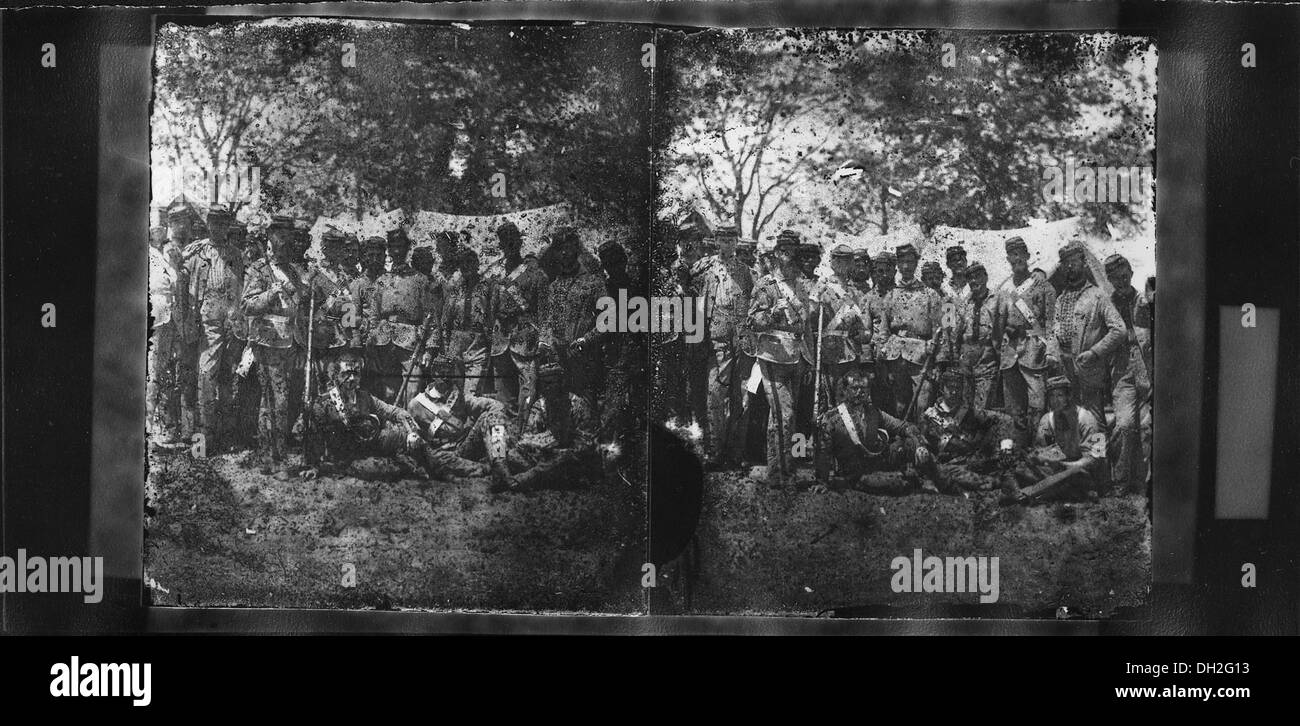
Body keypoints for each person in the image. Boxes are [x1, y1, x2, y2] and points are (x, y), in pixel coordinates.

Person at [305, 347, 442, 479]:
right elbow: (314, 436)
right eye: (346, 374)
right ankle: (409, 466)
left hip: (372, 445)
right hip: (348, 458)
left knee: (415, 442)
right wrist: (313, 466)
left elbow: (396, 412)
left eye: (356, 374)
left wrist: (411, 432)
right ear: (335, 377)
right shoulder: (323, 403)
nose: (352, 379)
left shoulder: (365, 397)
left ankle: (440, 468)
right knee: (377, 470)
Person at [241, 214, 309, 467]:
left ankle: (269, 453)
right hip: (267, 343)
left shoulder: (293, 271)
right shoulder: (259, 270)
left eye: (288, 237)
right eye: (280, 236)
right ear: (270, 237)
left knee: (277, 399)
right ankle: (276, 457)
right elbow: (247, 305)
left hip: (290, 344)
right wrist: (271, 294)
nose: (285, 241)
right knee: (275, 398)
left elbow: (299, 309)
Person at [746, 229, 811, 486]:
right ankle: (778, 472)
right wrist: (772, 313)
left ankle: (786, 469)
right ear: (775, 253)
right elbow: (752, 321)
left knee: (790, 416)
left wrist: (809, 361)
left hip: (796, 356)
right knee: (783, 414)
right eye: (782, 248)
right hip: (772, 356)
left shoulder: (800, 285)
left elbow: (805, 326)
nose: (787, 253)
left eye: (792, 249)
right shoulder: (765, 284)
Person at [813, 369, 938, 492]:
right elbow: (823, 451)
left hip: (875, 462)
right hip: (853, 472)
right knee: (895, 485)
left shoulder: (873, 412)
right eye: (854, 388)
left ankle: (930, 479)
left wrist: (918, 444)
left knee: (909, 444)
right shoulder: (832, 419)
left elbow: (902, 426)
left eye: (864, 389)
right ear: (845, 391)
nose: (859, 392)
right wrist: (822, 482)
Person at [185, 204, 246, 451]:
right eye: (214, 222)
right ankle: (204, 437)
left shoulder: (235, 254)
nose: (218, 227)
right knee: (206, 372)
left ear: (228, 226)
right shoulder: (197, 253)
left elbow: (241, 290)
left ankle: (227, 434)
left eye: (223, 223)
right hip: (208, 314)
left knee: (230, 374)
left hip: (230, 316)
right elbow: (186, 292)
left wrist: (238, 320)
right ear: (208, 223)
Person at [1047, 241, 1126, 421]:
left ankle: (1097, 450)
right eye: (1065, 263)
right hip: (1064, 370)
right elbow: (1053, 331)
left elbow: (1119, 330)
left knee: (1094, 420)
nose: (1069, 267)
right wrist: (1051, 353)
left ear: (1084, 264)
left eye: (1074, 262)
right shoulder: (1060, 299)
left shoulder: (1097, 295)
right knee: (1070, 420)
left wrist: (1095, 352)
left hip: (1089, 369)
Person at [698, 227, 754, 468]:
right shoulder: (705, 269)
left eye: (731, 240)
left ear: (736, 242)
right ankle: (715, 451)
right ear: (716, 242)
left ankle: (735, 453)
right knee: (715, 393)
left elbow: (753, 306)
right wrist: (698, 338)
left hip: (741, 335)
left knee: (742, 395)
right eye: (723, 240)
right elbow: (699, 305)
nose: (727, 244)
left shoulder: (745, 272)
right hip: (716, 333)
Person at [1004, 375, 1109, 503]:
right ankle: (1060, 492)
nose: (1055, 400)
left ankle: (1028, 494)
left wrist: (1068, 466)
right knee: (1020, 469)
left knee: (1070, 474)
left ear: (1069, 397)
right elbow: (1041, 449)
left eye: (1059, 396)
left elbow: (1096, 458)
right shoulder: (1047, 419)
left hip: (1083, 470)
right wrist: (1040, 457)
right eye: (1052, 396)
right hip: (1057, 469)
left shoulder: (1087, 418)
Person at [536, 227, 605, 407]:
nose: (565, 253)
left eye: (569, 247)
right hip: (559, 359)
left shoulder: (593, 282)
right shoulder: (554, 286)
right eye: (560, 249)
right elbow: (548, 319)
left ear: (577, 248)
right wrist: (543, 340)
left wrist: (587, 339)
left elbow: (608, 319)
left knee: (586, 410)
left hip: (584, 359)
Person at [370, 228, 440, 404]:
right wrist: (371, 340)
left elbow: (431, 316)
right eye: (392, 246)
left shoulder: (420, 280)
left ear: (407, 248)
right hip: (384, 342)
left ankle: (411, 429)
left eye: (400, 246)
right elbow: (374, 315)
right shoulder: (381, 281)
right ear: (388, 250)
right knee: (387, 393)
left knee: (413, 391)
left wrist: (430, 350)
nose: (397, 251)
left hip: (411, 343)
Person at [486, 221, 548, 419]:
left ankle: (523, 430)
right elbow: (490, 309)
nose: (509, 247)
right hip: (501, 339)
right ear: (501, 246)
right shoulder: (495, 276)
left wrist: (544, 339)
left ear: (520, 243)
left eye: (513, 242)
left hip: (525, 338)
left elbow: (545, 312)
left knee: (527, 390)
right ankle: (507, 434)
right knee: (502, 392)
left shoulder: (536, 275)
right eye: (505, 243)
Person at [997, 235, 1056, 441]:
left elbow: (1051, 324)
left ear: (1027, 255)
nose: (1016, 258)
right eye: (1012, 255)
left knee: (1037, 404)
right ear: (1007, 259)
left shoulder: (1043, 286)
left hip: (1034, 351)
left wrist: (1051, 352)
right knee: (1013, 406)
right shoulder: (1003, 288)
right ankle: (1017, 450)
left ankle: (1037, 447)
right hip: (1009, 353)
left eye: (1019, 254)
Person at [918, 369, 1016, 492]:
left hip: (973, 462)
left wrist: (1006, 447)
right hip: (947, 466)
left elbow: (1004, 419)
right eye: (950, 387)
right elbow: (923, 446)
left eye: (958, 388)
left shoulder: (970, 412)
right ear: (942, 389)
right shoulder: (928, 417)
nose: (954, 392)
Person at [877, 243, 943, 421]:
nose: (906, 266)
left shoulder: (930, 295)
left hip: (922, 355)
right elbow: (883, 331)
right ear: (897, 265)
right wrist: (882, 362)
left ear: (916, 264)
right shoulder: (891, 295)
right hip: (896, 356)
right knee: (899, 406)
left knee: (923, 404)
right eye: (902, 262)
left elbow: (940, 331)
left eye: (910, 262)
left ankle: (921, 446)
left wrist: (938, 363)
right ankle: (901, 444)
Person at [1103, 253, 1150, 493]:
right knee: (1123, 425)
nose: (1121, 282)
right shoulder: (1105, 306)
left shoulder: (1146, 301)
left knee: (1149, 426)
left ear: (1131, 273)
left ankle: (1148, 484)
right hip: (1121, 373)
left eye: (1124, 276)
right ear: (1109, 280)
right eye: (1115, 279)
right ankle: (1120, 483)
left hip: (1149, 371)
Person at [806, 244, 867, 409]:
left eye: (847, 261)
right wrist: (815, 299)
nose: (843, 265)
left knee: (850, 398)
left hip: (852, 351)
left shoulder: (856, 293)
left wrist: (860, 332)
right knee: (829, 399)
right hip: (828, 351)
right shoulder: (822, 287)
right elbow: (810, 318)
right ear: (832, 262)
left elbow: (864, 327)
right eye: (838, 260)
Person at [438, 247, 492, 400]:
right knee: (454, 392)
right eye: (463, 264)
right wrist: (447, 347)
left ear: (477, 264)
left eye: (470, 263)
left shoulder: (487, 287)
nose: (466, 267)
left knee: (471, 394)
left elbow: (492, 316)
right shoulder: (454, 289)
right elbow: (445, 321)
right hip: (456, 343)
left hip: (477, 344)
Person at [148, 223, 183, 444]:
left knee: (166, 373)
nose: (159, 231)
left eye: (162, 227)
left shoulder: (170, 254)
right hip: (153, 318)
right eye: (154, 227)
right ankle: (147, 428)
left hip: (170, 320)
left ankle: (168, 427)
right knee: (152, 373)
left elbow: (176, 285)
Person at [954, 262, 1001, 410]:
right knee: (964, 408)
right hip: (966, 366)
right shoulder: (964, 305)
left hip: (987, 365)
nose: (974, 281)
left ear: (986, 277)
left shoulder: (997, 301)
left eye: (977, 277)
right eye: (970, 278)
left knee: (982, 410)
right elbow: (955, 333)